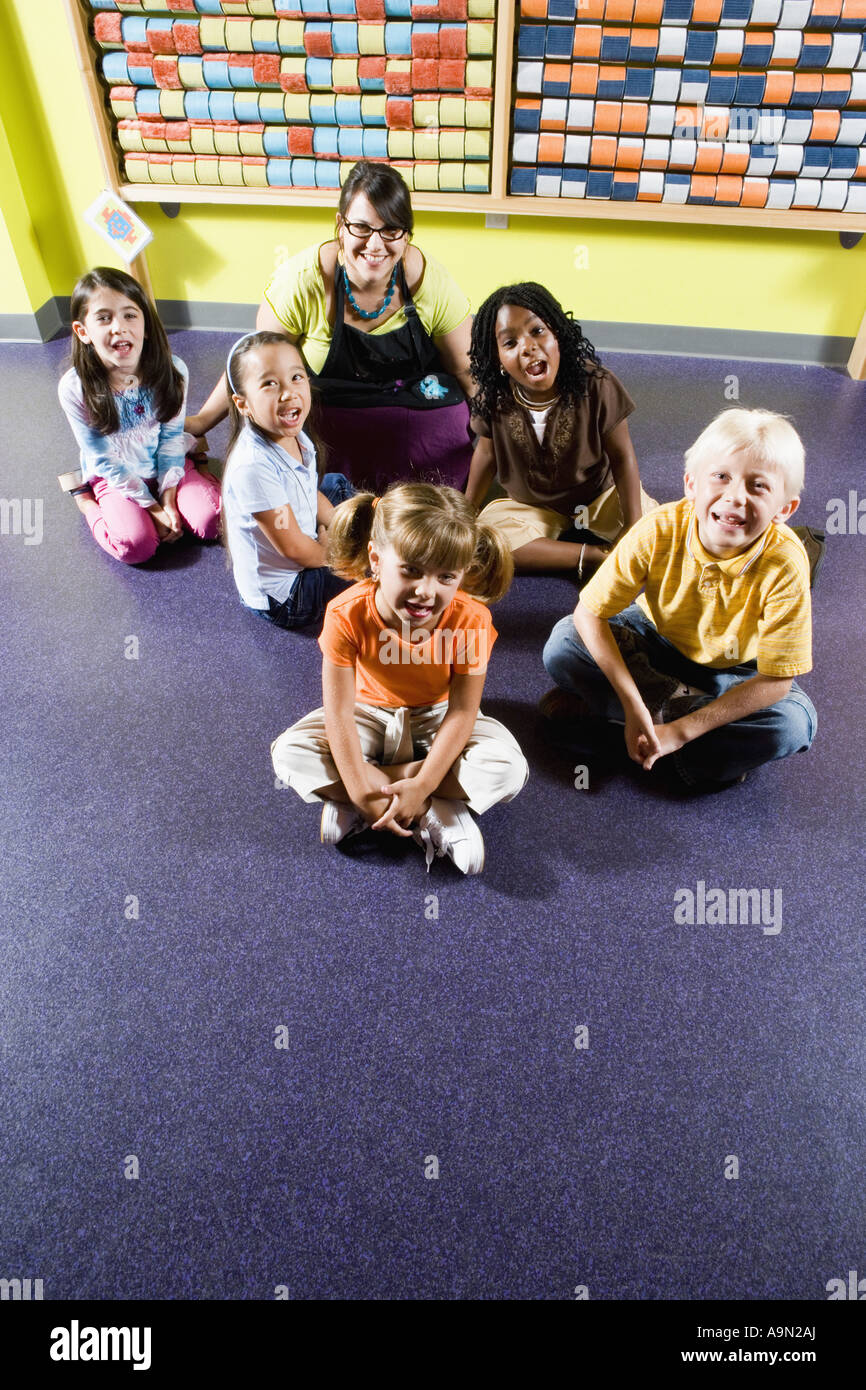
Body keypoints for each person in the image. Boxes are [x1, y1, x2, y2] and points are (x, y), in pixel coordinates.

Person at [540, 409, 817, 790]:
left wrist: (683, 731)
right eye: (721, 476)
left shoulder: (785, 561)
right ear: (691, 485)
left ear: (784, 509)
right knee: (563, 644)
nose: (735, 497)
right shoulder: (658, 528)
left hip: (735, 670)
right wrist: (635, 703)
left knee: (792, 726)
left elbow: (776, 683)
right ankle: (681, 738)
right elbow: (588, 616)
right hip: (653, 641)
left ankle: (628, 724)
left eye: (758, 486)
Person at [270, 483, 528, 873]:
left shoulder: (472, 620)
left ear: (463, 575)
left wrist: (420, 783)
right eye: (411, 570)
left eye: (446, 577)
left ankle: (385, 800)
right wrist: (360, 789)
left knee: (508, 768)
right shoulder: (346, 614)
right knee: (289, 753)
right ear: (375, 558)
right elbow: (338, 713)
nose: (426, 591)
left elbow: (462, 712)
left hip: (437, 720)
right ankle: (432, 810)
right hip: (366, 715)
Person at [187, 162, 475, 493]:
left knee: (455, 422)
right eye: (362, 228)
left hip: (408, 409)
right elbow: (253, 368)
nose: (376, 245)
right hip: (332, 415)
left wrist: (508, 428)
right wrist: (202, 421)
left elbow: (467, 372)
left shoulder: (431, 282)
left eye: (391, 230)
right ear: (340, 225)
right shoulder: (302, 281)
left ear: (407, 234)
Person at [466, 282, 656, 576]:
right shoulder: (494, 396)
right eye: (510, 343)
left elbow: (622, 456)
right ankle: (594, 557)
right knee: (482, 544)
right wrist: (464, 513)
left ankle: (607, 544)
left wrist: (632, 527)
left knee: (657, 532)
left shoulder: (597, 383)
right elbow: (486, 454)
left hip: (600, 496)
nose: (527, 347)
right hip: (531, 506)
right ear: (497, 359)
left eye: (537, 331)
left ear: (557, 334)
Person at [57, 266, 220, 564]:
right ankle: (85, 500)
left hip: (164, 461)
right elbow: (105, 460)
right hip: (114, 474)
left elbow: (171, 437)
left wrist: (168, 496)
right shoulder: (74, 388)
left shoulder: (174, 371)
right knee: (138, 546)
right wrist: (154, 509)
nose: (119, 326)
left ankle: (195, 471)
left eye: (130, 315)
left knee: (213, 523)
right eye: (104, 318)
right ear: (83, 332)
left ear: (145, 325)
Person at [221, 331, 354, 630]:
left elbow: (309, 490)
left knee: (336, 485)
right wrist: (334, 551)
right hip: (288, 595)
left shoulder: (291, 431)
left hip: (302, 536)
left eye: (297, 377)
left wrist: (339, 525)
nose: (289, 392)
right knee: (374, 568)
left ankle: (373, 534)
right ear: (242, 404)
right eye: (269, 384)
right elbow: (294, 549)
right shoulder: (253, 467)